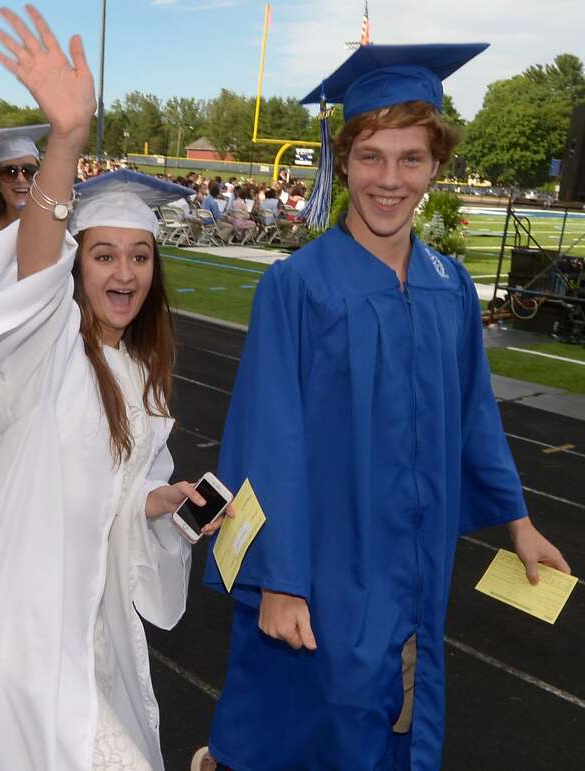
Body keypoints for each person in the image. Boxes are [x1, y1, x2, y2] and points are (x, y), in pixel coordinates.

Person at [193, 43, 570, 771]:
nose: (390, 180)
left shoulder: (449, 286)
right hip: (323, 558)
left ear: (436, 164)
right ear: (344, 161)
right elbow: (267, 437)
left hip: (416, 555)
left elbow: (474, 412)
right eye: (371, 157)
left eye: (410, 158)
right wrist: (277, 576)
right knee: (308, 720)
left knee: (399, 711)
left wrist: (518, 522)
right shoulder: (298, 286)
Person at [0, 9, 218, 770]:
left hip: (87, 624)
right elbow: (36, 267)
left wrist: (163, 501)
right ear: (78, 267)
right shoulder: (45, 348)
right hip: (21, 627)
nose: (124, 272)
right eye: (103, 254)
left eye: (139, 256)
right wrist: (67, 139)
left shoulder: (142, 374)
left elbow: (122, 494)